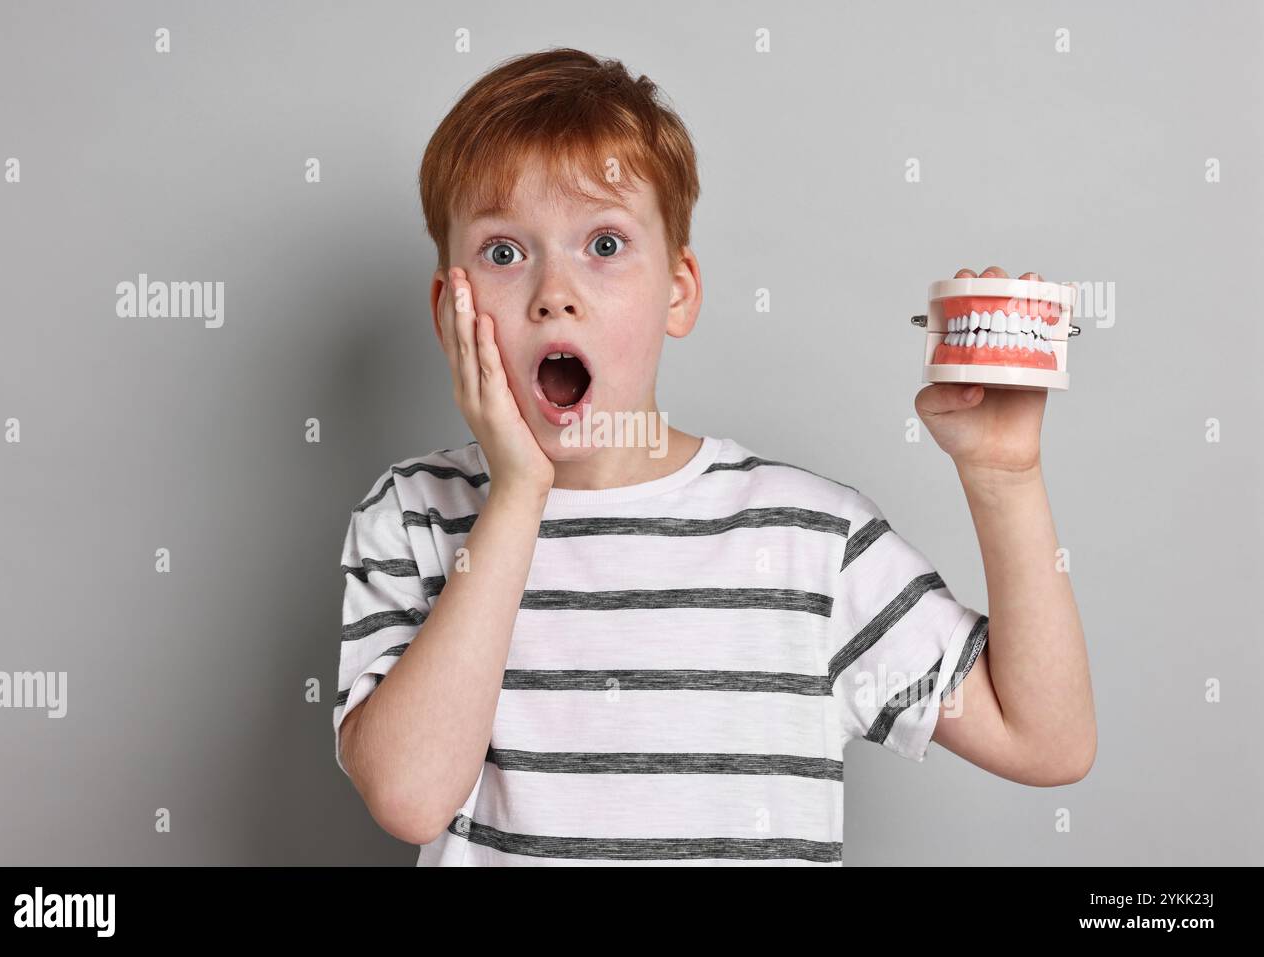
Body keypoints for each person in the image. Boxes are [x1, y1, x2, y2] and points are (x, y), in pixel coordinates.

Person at [331, 47, 1095, 865]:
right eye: (505, 253)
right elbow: (410, 796)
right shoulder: (413, 513)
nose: (555, 290)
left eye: (605, 244)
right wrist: (520, 489)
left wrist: (1003, 475)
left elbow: (1046, 741)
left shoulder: (810, 541)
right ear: (451, 308)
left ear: (678, 291)